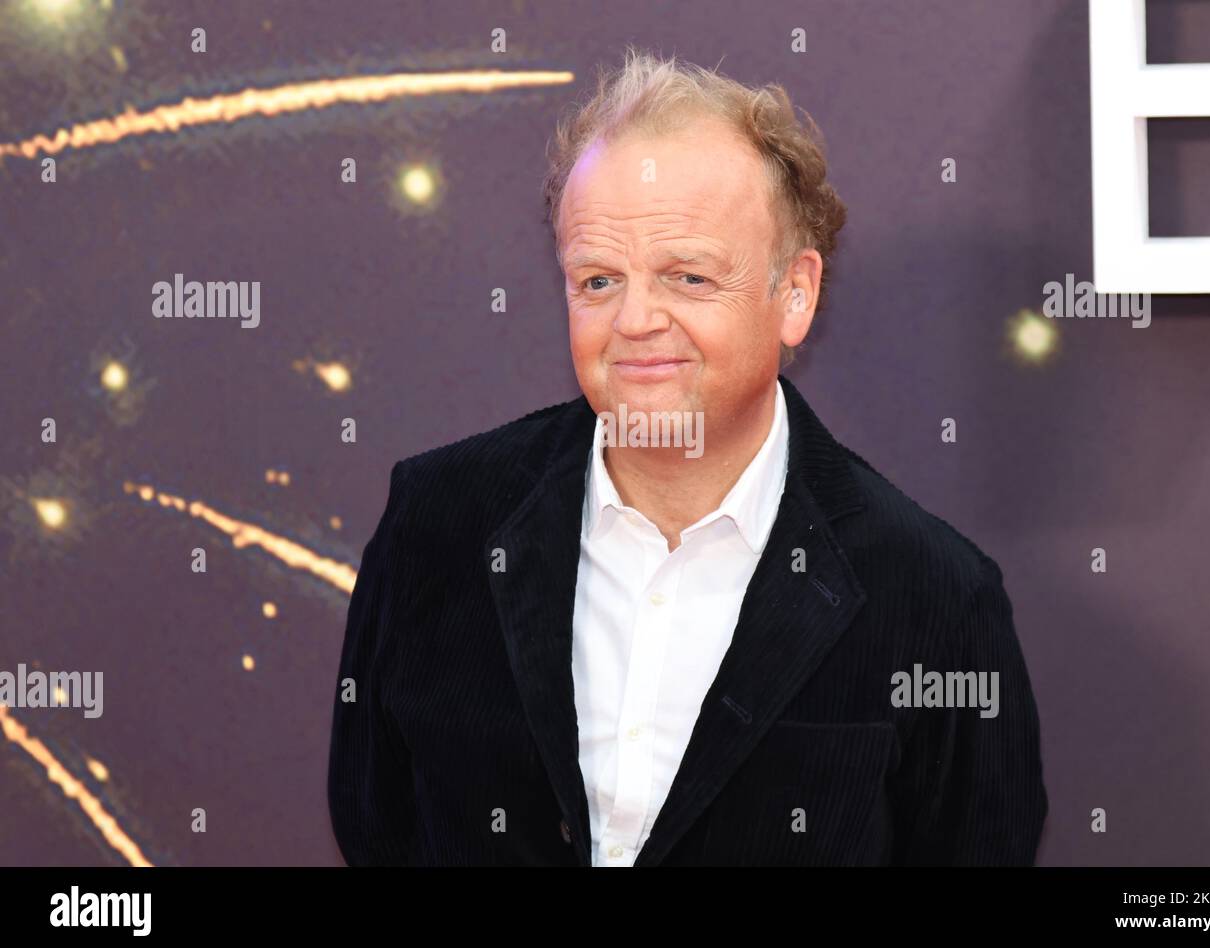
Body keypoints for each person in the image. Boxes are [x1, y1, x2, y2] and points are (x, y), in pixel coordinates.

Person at [328, 47, 1048, 866]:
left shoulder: (934, 596)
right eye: (598, 280)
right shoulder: (438, 523)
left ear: (797, 293)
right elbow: (373, 819)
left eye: (688, 277)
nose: (636, 319)